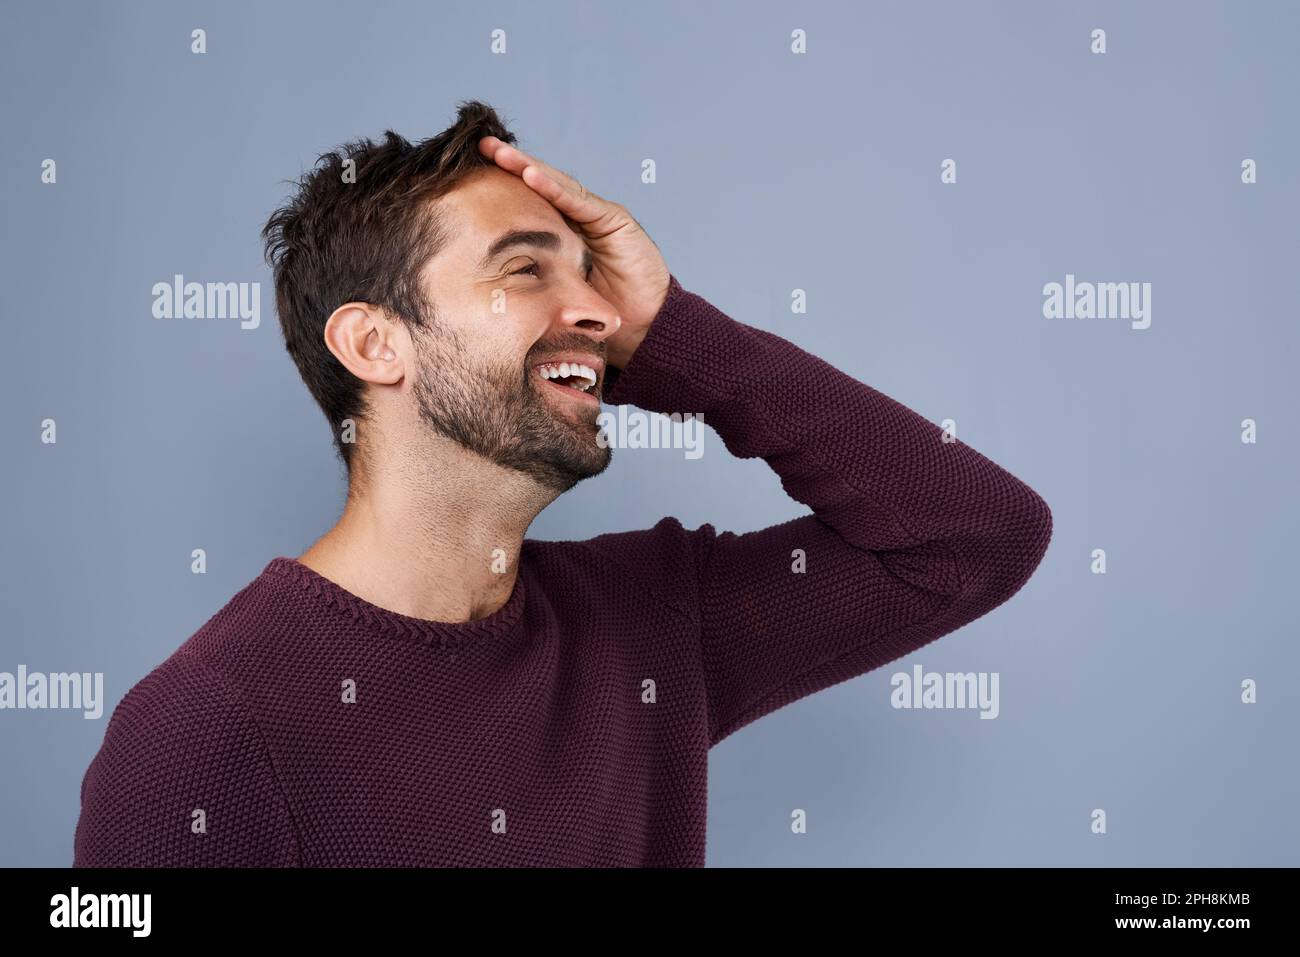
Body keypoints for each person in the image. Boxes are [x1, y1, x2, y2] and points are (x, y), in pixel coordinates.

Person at [73, 100, 1052, 867]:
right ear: (375, 343)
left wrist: (672, 332)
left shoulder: (653, 621)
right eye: (526, 270)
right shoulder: (204, 729)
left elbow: (972, 537)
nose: (594, 311)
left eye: (595, 282)